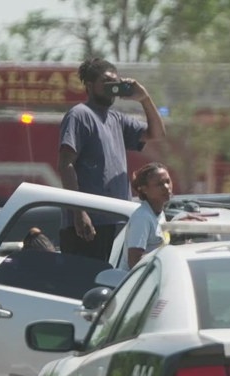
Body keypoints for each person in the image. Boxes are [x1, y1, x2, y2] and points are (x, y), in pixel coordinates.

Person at [58, 58, 166, 262]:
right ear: (89, 86)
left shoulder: (117, 119)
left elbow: (157, 133)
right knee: (85, 289)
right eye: (107, 82)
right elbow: (66, 164)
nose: (113, 88)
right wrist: (79, 212)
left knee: (113, 287)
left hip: (118, 221)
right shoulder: (79, 115)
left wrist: (144, 98)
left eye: (116, 82)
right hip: (89, 226)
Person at [118, 162, 172, 270]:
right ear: (144, 189)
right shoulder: (142, 217)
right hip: (138, 283)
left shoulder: (159, 212)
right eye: (159, 184)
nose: (166, 187)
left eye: (168, 181)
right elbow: (134, 261)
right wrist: (167, 258)